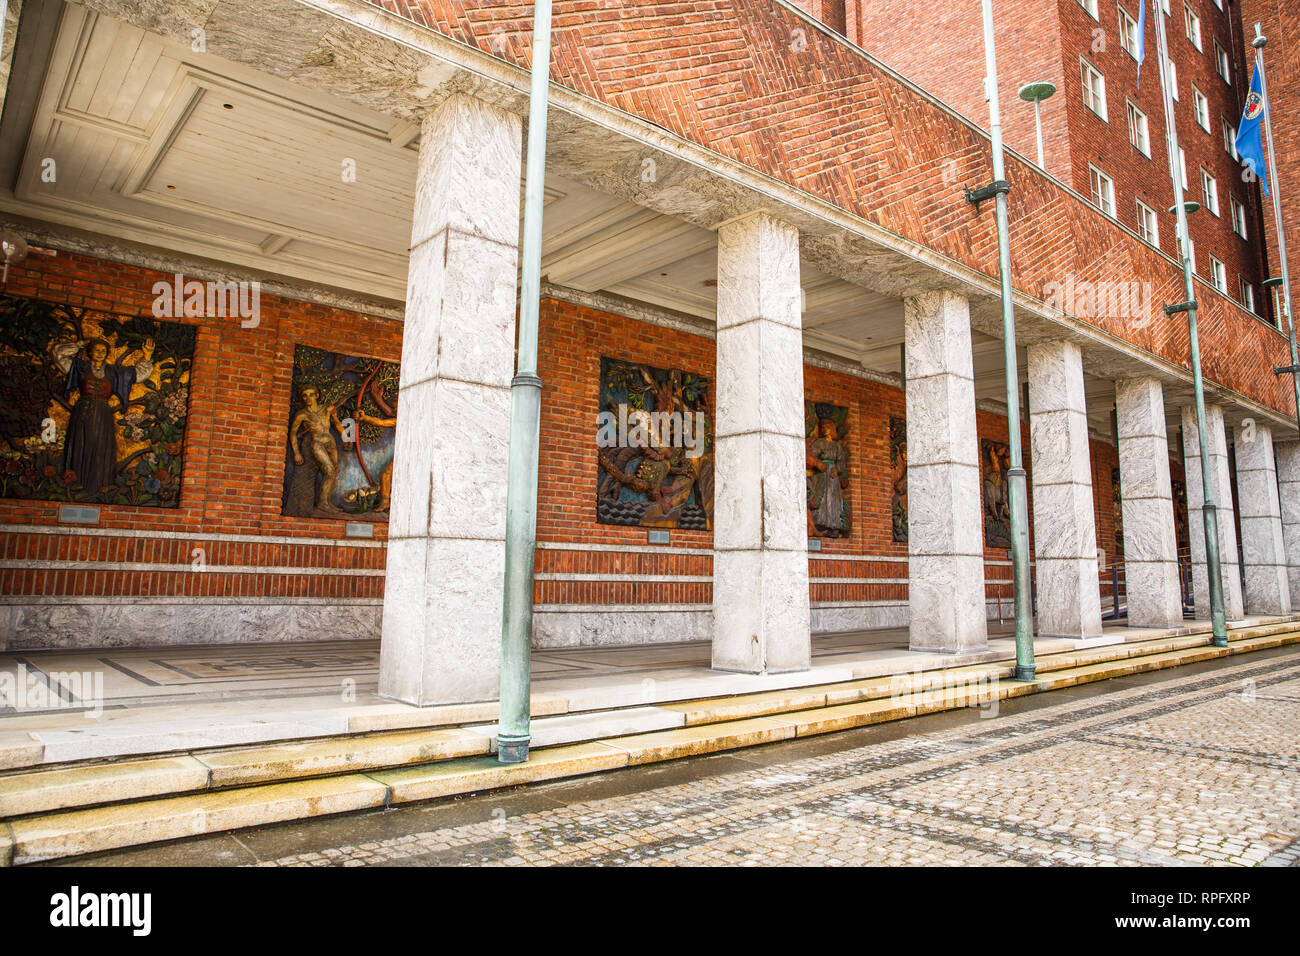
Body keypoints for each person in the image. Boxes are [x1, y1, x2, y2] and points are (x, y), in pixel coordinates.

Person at [52, 337, 155, 498]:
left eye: (103, 351)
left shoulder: (113, 372)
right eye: (97, 350)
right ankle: (76, 483)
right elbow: (58, 355)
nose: (100, 353)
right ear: (90, 352)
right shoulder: (80, 368)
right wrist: (78, 345)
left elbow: (136, 375)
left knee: (100, 446)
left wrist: (147, 357)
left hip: (102, 414)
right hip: (83, 412)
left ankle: (99, 486)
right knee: (81, 443)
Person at [288, 384, 343, 514]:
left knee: (334, 471)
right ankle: (322, 503)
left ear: (317, 395)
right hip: (317, 443)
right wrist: (296, 453)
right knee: (329, 470)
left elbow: (337, 424)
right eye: (304, 395)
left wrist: (347, 438)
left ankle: (326, 501)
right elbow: (293, 433)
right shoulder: (301, 415)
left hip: (330, 442)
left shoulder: (327, 409)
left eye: (311, 394)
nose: (308, 398)